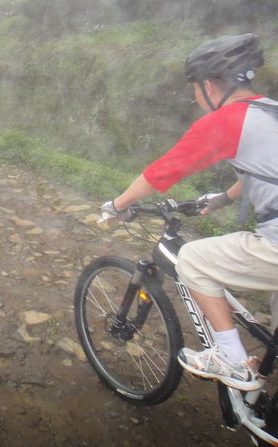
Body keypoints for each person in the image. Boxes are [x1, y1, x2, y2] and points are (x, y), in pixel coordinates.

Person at [103, 33, 278, 391]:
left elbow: (163, 171)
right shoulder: (270, 111)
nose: (195, 96)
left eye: (195, 88)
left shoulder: (227, 120)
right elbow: (264, 168)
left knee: (194, 258)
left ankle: (231, 359)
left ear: (211, 85)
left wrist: (117, 205)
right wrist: (224, 198)